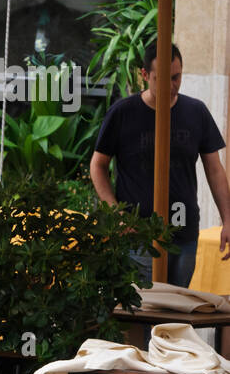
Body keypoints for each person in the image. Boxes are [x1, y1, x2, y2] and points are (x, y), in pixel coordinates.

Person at [90, 41, 230, 287]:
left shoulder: (196, 111)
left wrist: (228, 219)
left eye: (177, 77)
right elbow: (98, 165)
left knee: (174, 316)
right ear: (145, 75)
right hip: (137, 235)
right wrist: (116, 213)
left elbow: (215, 169)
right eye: (162, 78)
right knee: (143, 312)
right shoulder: (123, 112)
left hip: (184, 232)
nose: (171, 85)